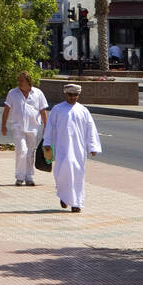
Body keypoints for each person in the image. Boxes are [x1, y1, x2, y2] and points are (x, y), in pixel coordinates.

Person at [42, 83, 101, 213]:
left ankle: (77, 203)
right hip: (62, 148)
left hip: (79, 149)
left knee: (78, 174)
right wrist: (47, 142)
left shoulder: (83, 110)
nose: (73, 97)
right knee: (62, 172)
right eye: (70, 95)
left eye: (76, 95)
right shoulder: (58, 109)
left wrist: (93, 146)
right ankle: (64, 196)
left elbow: (91, 129)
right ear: (65, 94)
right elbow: (50, 127)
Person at [1, 70, 50, 187]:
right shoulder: (13, 93)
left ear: (28, 82)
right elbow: (6, 110)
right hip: (18, 127)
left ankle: (29, 177)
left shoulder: (38, 93)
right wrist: (3, 125)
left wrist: (46, 126)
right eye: (18, 80)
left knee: (30, 152)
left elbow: (43, 111)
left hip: (33, 128)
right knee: (22, 150)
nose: (19, 82)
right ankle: (19, 177)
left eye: (21, 80)